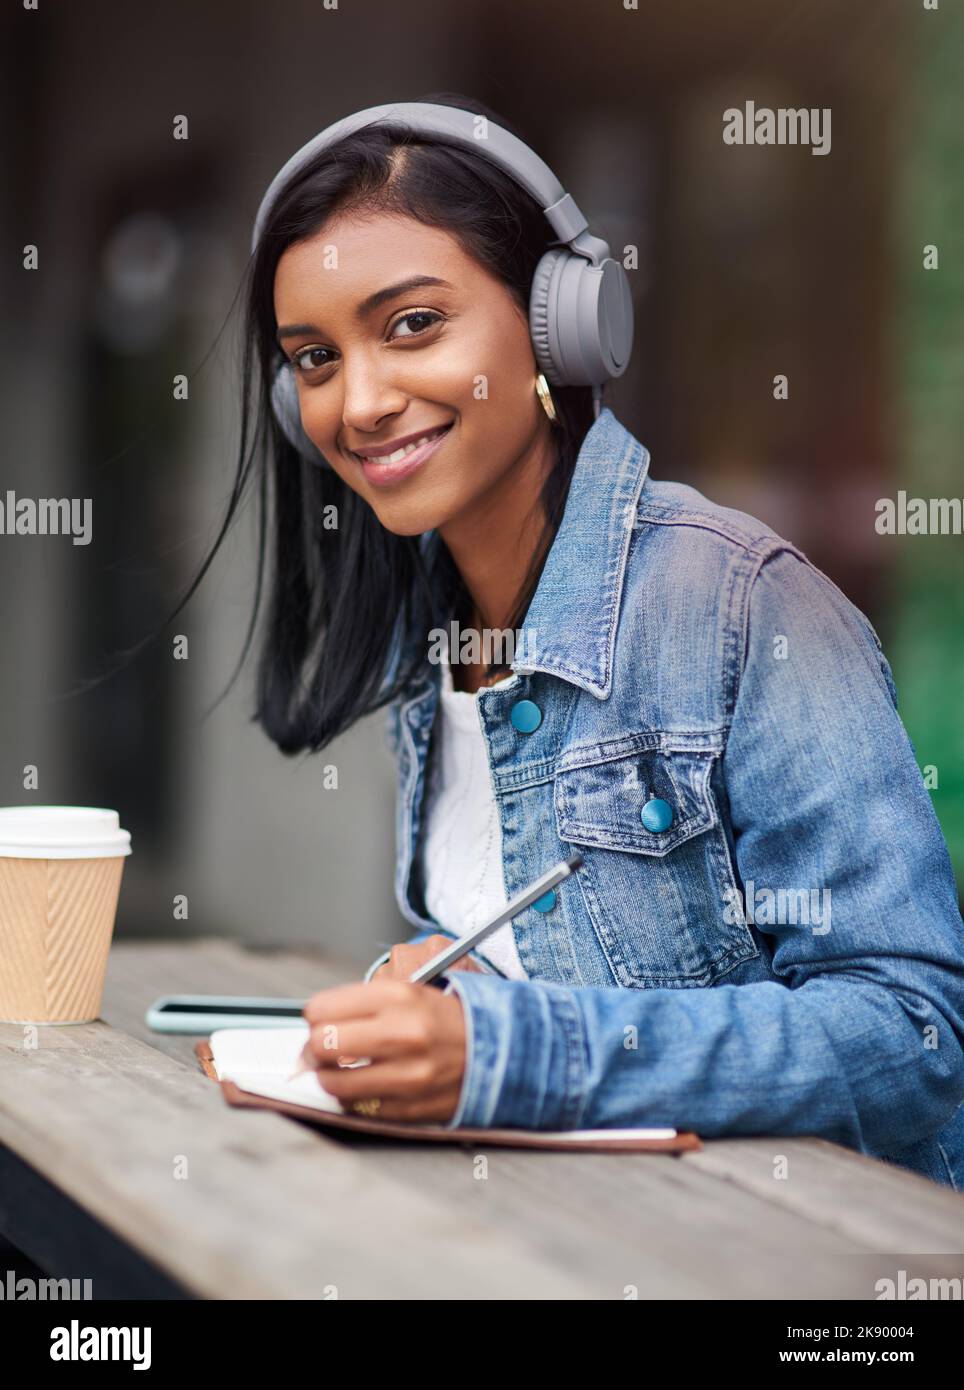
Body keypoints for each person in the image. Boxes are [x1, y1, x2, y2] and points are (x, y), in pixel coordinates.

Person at [199, 94, 964, 1186]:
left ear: (561, 321)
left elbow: (909, 1033)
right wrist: (447, 1003)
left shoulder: (745, 605)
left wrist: (517, 1050)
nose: (358, 401)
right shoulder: (429, 632)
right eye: (315, 358)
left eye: (413, 324)